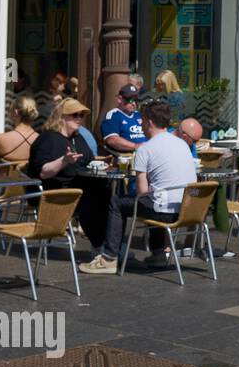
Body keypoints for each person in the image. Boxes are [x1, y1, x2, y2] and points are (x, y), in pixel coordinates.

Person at [80, 100, 197, 274]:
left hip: (163, 213)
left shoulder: (145, 149)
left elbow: (142, 192)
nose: (140, 123)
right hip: (187, 211)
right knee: (156, 196)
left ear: (149, 122)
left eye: (142, 119)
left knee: (117, 202)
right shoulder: (182, 144)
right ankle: (157, 254)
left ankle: (109, 258)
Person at [27, 98, 112, 256]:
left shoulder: (77, 138)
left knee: (111, 197)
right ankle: (102, 248)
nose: (80, 118)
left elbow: (88, 160)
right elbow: (43, 172)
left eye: (81, 115)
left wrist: (101, 164)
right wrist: (64, 160)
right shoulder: (48, 139)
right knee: (96, 199)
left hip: (78, 187)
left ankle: (110, 247)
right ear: (61, 117)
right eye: (75, 115)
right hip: (53, 193)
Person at [0, 96, 39, 167]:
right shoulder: (39, 139)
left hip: (4, 178)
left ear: (15, 112)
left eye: (10, 110)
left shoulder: (0, 139)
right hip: (28, 178)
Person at [101, 85, 145, 154]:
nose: (133, 103)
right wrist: (136, 146)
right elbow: (112, 140)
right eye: (130, 100)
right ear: (119, 99)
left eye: (136, 100)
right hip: (127, 156)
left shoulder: (139, 115)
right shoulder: (114, 115)